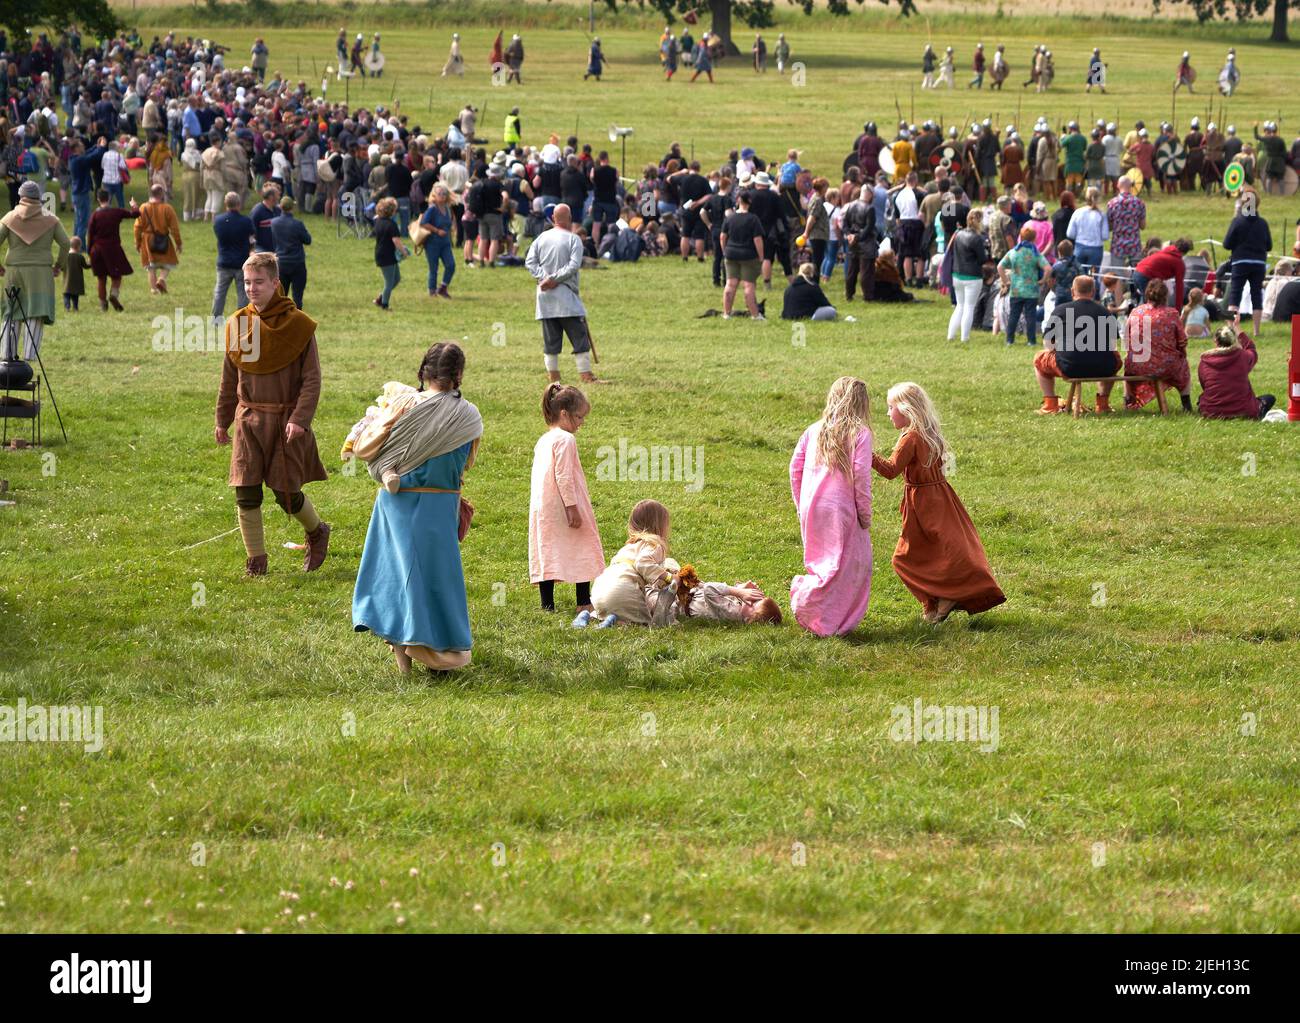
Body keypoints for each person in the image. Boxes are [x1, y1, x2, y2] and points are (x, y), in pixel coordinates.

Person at [352, 342, 482, 672]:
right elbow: (467, 463)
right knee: (438, 579)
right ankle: (440, 654)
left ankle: (404, 667)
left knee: (397, 578)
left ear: (424, 371)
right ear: (458, 375)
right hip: (439, 505)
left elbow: (371, 450)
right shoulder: (468, 415)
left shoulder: (403, 404)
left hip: (396, 502)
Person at [216, 251, 330, 578]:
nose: (251, 288)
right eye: (247, 282)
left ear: (275, 283)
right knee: (245, 489)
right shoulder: (239, 324)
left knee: (286, 493)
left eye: (259, 282)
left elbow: (312, 379)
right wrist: (222, 420)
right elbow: (228, 379)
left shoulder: (298, 326)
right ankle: (257, 562)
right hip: (248, 421)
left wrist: (300, 419)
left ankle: (317, 531)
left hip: (284, 422)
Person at [872, 382, 1005, 623]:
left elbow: (891, 470)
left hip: (923, 502)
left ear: (906, 409)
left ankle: (940, 600)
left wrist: (864, 453)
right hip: (941, 496)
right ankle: (934, 606)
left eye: (891, 407)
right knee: (935, 550)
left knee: (904, 558)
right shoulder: (930, 433)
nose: (888, 413)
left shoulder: (910, 437)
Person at [789, 376, 873, 638]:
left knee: (822, 562)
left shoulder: (813, 430)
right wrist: (865, 512)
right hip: (842, 509)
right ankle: (827, 616)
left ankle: (820, 617)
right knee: (851, 563)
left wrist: (800, 504)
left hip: (813, 506)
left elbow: (795, 468)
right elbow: (860, 474)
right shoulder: (860, 433)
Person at [530, 383, 605, 618]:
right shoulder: (566, 439)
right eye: (579, 416)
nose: (582, 422)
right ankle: (583, 601)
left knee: (548, 548)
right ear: (564, 414)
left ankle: (547, 605)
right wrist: (572, 507)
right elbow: (563, 475)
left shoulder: (545, 439)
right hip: (564, 503)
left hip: (544, 508)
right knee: (581, 544)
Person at [525, 203, 598, 383]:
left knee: (551, 342)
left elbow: (529, 262)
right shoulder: (574, 239)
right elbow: (574, 266)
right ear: (570, 218)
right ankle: (585, 375)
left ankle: (554, 377)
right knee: (579, 337)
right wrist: (553, 279)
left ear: (553, 218)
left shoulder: (541, 238)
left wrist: (545, 278)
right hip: (566, 298)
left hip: (545, 297)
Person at [0, 179, 70, 360]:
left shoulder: (9, 217)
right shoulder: (51, 220)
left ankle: (7, 354)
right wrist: (58, 266)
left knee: (11, 311)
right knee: (36, 312)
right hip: (41, 272)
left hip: (14, 271)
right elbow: (65, 243)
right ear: (38, 197)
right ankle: (30, 356)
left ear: (21, 196)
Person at [1034, 275, 1123, 414]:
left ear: (1072, 291)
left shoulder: (1060, 310)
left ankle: (1050, 404)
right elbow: (1112, 346)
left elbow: (1048, 345)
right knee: (1115, 357)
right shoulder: (1106, 312)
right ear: (1093, 292)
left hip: (1069, 367)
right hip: (1104, 368)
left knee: (1039, 358)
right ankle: (1103, 404)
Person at [587, 500, 675, 628]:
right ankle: (615, 622)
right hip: (622, 591)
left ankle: (599, 619)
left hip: (599, 592)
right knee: (647, 622)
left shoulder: (629, 547)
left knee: (614, 614)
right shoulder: (655, 544)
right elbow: (643, 563)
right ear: (660, 526)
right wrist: (669, 577)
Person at [1125, 278, 1191, 411]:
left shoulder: (1135, 312)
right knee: (1184, 367)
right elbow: (1182, 341)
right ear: (1165, 296)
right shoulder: (1172, 313)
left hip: (1137, 366)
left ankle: (1128, 400)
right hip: (1165, 366)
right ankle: (1186, 404)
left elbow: (1127, 339)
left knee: (1128, 368)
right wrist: (1181, 354)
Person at [1222, 188, 1272, 336]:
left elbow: (1226, 244)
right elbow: (1269, 245)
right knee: (1256, 294)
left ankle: (1232, 330)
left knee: (1235, 294)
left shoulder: (1237, 221)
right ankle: (1256, 331)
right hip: (1258, 262)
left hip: (1240, 261)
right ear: (1257, 204)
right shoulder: (1263, 223)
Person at [1198, 325, 1275, 420]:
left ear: (1215, 341)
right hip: (1244, 410)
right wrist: (1238, 328)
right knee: (1270, 398)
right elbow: (1252, 349)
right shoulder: (1243, 356)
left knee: (1200, 399)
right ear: (1234, 340)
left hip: (1211, 412)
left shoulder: (1205, 360)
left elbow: (1204, 386)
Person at [87, 189, 139, 312]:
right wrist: (134, 205)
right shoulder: (116, 212)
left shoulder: (94, 215)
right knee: (116, 276)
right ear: (109, 198)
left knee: (101, 278)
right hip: (113, 249)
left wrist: (89, 252)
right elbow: (135, 214)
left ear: (98, 199)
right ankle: (114, 295)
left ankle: (103, 304)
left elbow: (89, 235)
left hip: (97, 250)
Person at [998, 226, 1051, 346]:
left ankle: (1009, 340)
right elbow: (1048, 268)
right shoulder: (1035, 253)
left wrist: (1006, 281)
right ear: (1034, 238)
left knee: (1014, 315)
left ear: (1020, 237)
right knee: (1030, 316)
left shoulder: (1013, 252)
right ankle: (1031, 341)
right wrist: (1043, 280)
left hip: (1016, 290)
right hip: (1031, 290)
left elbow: (1000, 267)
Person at [720, 189, 765, 319]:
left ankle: (726, 313)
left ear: (738, 200)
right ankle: (755, 315)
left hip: (731, 253)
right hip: (748, 255)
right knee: (748, 285)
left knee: (730, 284)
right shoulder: (753, 219)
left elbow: (723, 237)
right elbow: (757, 239)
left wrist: (725, 250)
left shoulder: (730, 218)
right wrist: (761, 256)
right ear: (750, 201)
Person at [948, 207, 988, 343]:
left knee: (960, 305)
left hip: (957, 274)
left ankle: (951, 335)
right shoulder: (977, 238)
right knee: (969, 307)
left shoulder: (958, 234)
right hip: (973, 276)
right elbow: (983, 259)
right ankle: (964, 338)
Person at [212, 190, 253, 320]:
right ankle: (241, 320)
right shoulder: (246, 221)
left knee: (220, 292)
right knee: (242, 293)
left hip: (224, 261)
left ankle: (216, 319)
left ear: (225, 204)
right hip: (241, 262)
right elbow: (252, 238)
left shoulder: (218, 221)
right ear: (239, 204)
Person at [270, 196, 311, 309]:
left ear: (281, 207)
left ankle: (279, 320)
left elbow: (273, 241)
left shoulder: (274, 223)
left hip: (281, 263)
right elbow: (308, 240)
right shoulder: (297, 224)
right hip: (297, 262)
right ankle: (297, 320)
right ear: (292, 208)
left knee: (281, 296)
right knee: (297, 297)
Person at [1132, 237, 1190, 310]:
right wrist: (1178, 309)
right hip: (1145, 276)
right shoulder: (1179, 263)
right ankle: (1142, 319)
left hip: (1137, 272)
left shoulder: (1165, 251)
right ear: (1185, 252)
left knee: (1146, 299)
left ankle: (1137, 316)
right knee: (1151, 303)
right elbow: (1179, 287)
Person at [419, 184, 455, 298]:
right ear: (434, 195)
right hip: (432, 242)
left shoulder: (448, 208)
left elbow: (450, 222)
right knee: (433, 268)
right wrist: (437, 230)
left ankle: (443, 288)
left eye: (444, 194)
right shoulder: (432, 208)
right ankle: (432, 291)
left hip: (445, 242)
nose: (442, 196)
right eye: (439, 194)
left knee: (451, 265)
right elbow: (423, 223)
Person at [1106, 176, 1145, 266]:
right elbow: (1142, 226)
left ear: (1118, 185)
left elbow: (1110, 227)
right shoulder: (1139, 203)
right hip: (1134, 245)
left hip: (1118, 246)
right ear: (1131, 186)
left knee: (1118, 276)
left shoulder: (1112, 203)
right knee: (1136, 275)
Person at [250, 183, 280, 253]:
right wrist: (252, 249)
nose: (279, 197)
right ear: (271, 197)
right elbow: (251, 233)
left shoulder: (278, 210)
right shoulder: (257, 211)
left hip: (277, 248)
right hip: (261, 249)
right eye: (277, 195)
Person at [63, 235, 89, 312]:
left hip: (67, 282)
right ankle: (75, 307)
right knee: (75, 296)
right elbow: (86, 266)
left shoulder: (65, 256)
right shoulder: (80, 257)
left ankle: (67, 307)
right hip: (77, 282)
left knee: (66, 295)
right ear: (79, 246)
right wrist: (92, 263)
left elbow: (61, 266)